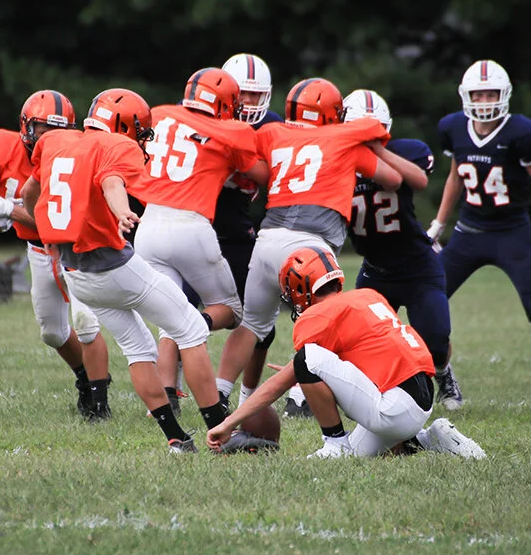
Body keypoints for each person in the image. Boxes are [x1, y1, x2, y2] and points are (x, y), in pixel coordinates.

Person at [20, 88, 273, 454]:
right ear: (125, 125)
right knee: (188, 329)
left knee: (137, 348)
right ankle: (224, 433)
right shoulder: (116, 147)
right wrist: (122, 211)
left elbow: (32, 190)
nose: (142, 139)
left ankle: (176, 439)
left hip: (76, 274)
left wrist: (42, 226)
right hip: (112, 266)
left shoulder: (57, 140)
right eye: (140, 131)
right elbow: (111, 182)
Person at [212, 78, 419, 409]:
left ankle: (219, 393)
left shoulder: (272, 133)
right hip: (310, 246)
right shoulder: (345, 139)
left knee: (251, 323)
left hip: (267, 238)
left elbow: (255, 164)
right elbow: (393, 180)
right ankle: (300, 397)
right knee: (328, 324)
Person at [206, 247, 485, 459]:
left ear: (302, 288)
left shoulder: (316, 317)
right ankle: (428, 438)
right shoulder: (368, 295)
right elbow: (371, 355)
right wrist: (313, 372)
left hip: (394, 407)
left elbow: (294, 373)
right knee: (357, 454)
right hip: (418, 396)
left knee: (307, 360)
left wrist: (230, 422)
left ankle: (334, 443)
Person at [0, 90, 114, 420]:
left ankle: (99, 403)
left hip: (75, 249)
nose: (50, 137)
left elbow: (59, 220)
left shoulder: (74, 156)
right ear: (26, 127)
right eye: (43, 129)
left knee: (86, 322)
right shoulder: (1, 147)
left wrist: (10, 210)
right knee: (52, 332)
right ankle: (84, 378)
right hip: (38, 250)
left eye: (57, 130)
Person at [428, 60, 531, 405]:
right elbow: (454, 178)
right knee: (429, 302)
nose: (485, 100)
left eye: (491, 92)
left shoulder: (520, 133)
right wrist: (439, 223)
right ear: (466, 95)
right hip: (468, 232)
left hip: (512, 233)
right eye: (478, 93)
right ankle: (444, 378)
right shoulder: (454, 128)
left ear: (504, 94)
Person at [131, 67, 268, 404]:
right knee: (232, 311)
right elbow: (263, 175)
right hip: (191, 227)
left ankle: (166, 395)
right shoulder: (232, 131)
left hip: (148, 227)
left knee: (169, 316)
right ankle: (194, 324)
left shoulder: (160, 115)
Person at [343, 88, 461, 412]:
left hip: (417, 267)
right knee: (361, 343)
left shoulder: (405, 152)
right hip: (375, 271)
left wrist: (377, 151)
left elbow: (419, 180)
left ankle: (443, 372)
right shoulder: (335, 160)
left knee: (435, 338)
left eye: (373, 129)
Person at [215, 52, 287, 411]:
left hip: (238, 228)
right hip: (196, 224)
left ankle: (247, 397)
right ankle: (171, 391)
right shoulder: (205, 115)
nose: (247, 102)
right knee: (179, 313)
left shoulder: (272, 126)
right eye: (242, 93)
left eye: (255, 95)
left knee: (263, 325)